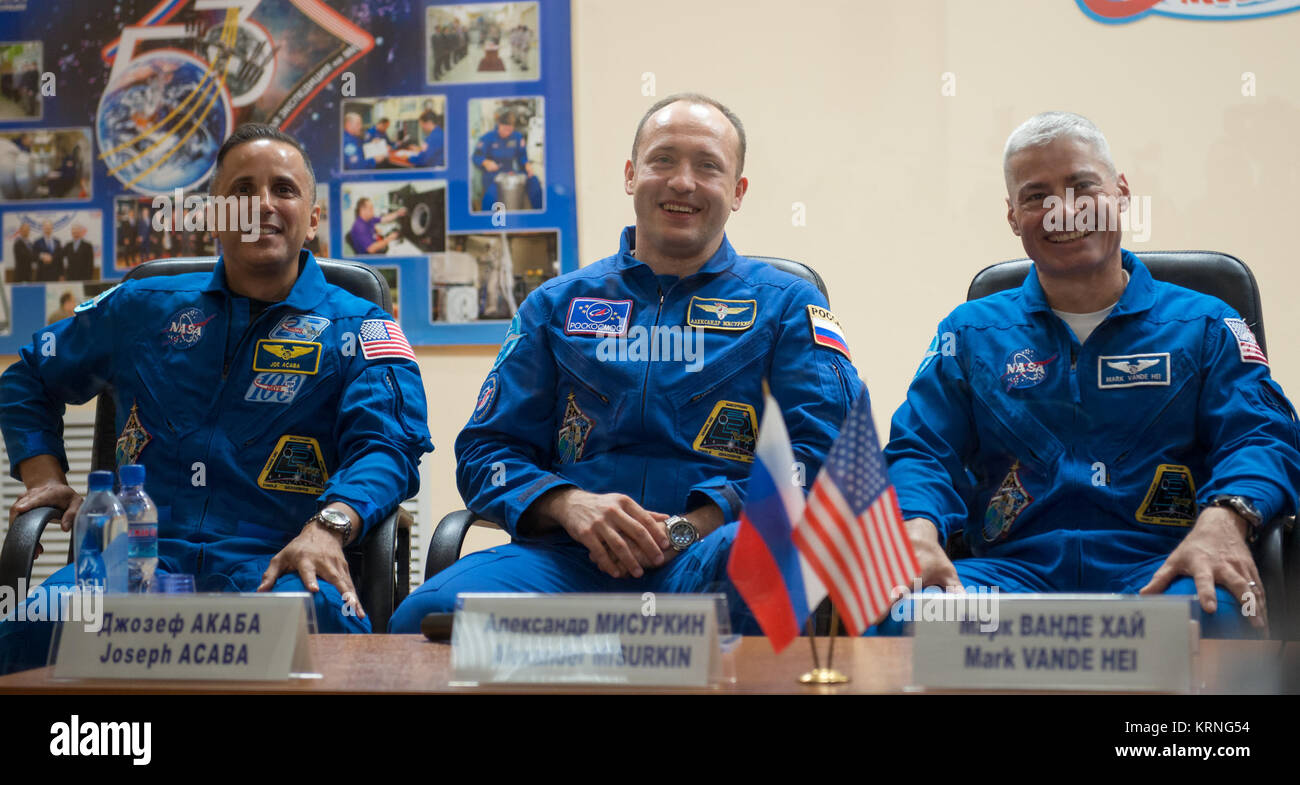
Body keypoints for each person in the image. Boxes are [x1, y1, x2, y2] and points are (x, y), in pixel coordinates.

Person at [390, 93, 861, 634]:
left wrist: (696, 524)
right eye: (663, 160)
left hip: (709, 555)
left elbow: (828, 458)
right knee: (423, 618)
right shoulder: (554, 305)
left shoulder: (788, 306)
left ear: (738, 192)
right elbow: (485, 451)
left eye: (708, 166)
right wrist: (568, 506)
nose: (683, 181)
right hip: (568, 559)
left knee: (767, 557)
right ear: (631, 175)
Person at [0, 123, 433, 674]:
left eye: (284, 189)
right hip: (135, 559)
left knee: (328, 634)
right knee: (30, 624)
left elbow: (388, 445)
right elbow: (28, 375)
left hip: (280, 562)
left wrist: (330, 526)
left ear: (314, 218)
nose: (262, 205)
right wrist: (44, 478)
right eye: (241, 190)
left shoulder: (361, 328)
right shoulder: (142, 306)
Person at [883, 111, 1300, 638]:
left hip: (1161, 569)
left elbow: (1262, 435)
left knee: (1215, 614)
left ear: (1122, 193)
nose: (1064, 210)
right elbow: (921, 450)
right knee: (901, 615)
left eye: (1083, 185)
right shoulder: (969, 335)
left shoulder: (1206, 325)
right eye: (1036, 196)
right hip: (1010, 577)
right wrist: (916, 529)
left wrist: (1225, 520)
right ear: (1013, 217)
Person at [471, 110, 543, 211]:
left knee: (534, 181)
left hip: (510, 171)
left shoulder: (517, 137)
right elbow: (476, 157)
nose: (507, 133)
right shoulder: (487, 138)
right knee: (491, 196)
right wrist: (485, 162)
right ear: (499, 125)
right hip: (493, 174)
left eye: (510, 130)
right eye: (505, 130)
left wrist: (526, 165)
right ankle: (488, 221)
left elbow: (522, 156)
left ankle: (541, 216)